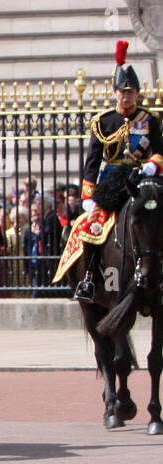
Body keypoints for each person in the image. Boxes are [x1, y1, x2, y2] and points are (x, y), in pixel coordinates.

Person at [71, 41, 163, 301]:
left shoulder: (149, 120)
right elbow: (92, 161)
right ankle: (89, 278)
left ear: (137, 93)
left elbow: (161, 149)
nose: (126, 96)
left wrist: (153, 164)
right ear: (115, 93)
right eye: (122, 92)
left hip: (143, 180)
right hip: (112, 182)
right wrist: (88, 196)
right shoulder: (104, 121)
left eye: (131, 92)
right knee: (92, 226)